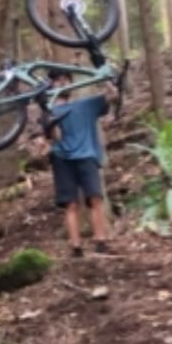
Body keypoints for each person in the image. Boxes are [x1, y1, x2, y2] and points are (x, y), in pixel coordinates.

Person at [35, 68, 120, 257]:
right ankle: (76, 246)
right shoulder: (48, 112)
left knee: (95, 198)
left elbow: (112, 95)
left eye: (66, 79)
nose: (63, 82)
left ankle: (101, 241)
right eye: (58, 80)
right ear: (51, 84)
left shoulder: (87, 105)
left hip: (87, 155)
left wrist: (106, 77)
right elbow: (56, 137)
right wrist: (47, 112)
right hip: (62, 159)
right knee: (70, 204)